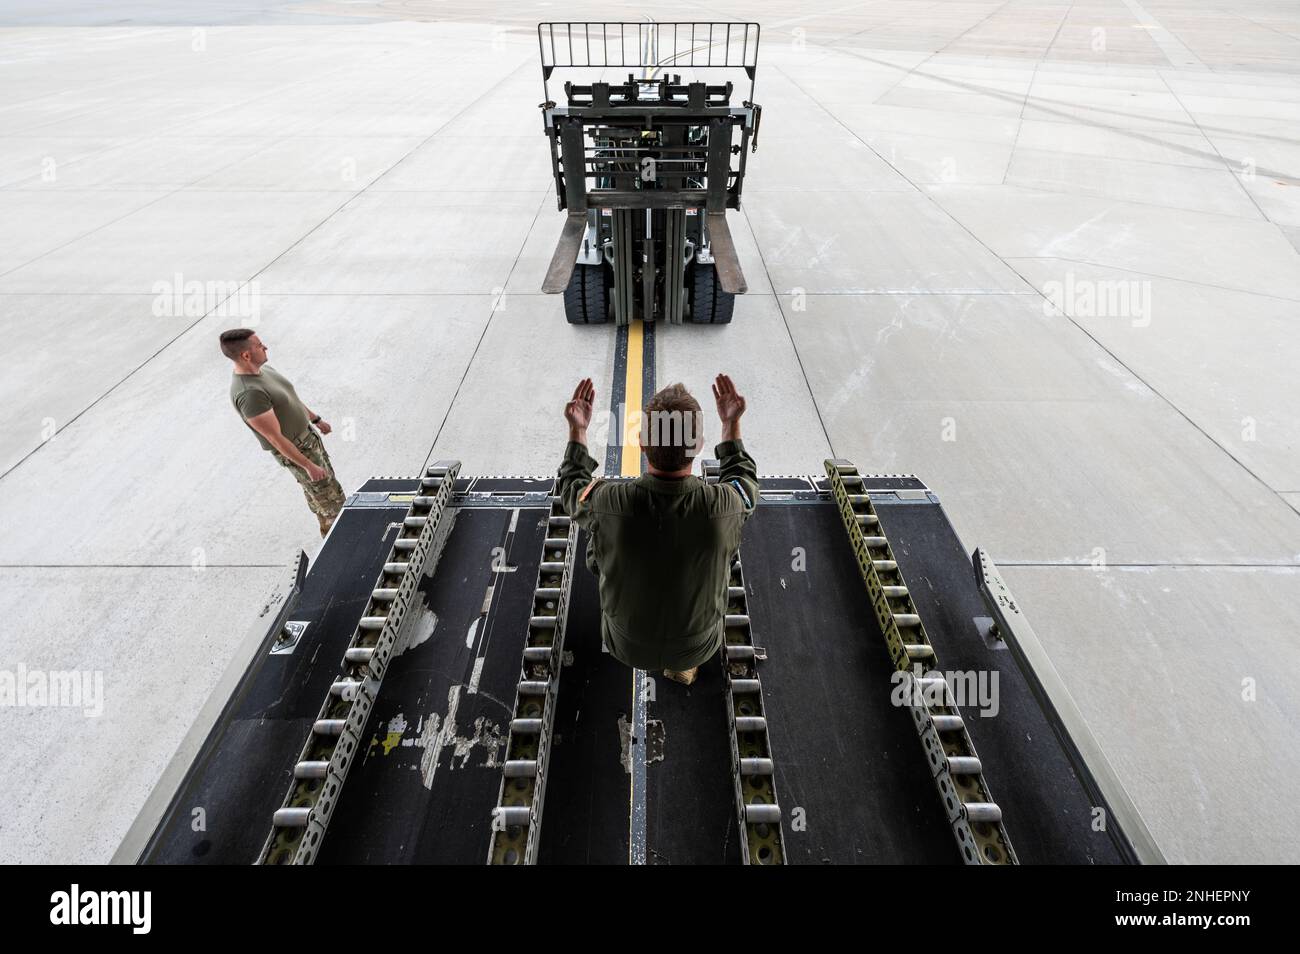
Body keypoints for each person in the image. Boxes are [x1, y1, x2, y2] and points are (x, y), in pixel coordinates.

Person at [558, 374, 759, 685]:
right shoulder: (726, 506)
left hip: (626, 645)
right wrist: (730, 423)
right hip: (699, 645)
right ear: (700, 446)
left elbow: (572, 488)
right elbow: (744, 479)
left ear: (641, 443)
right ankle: (683, 664)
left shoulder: (608, 502)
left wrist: (578, 428)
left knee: (598, 538)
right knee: (724, 545)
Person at [220, 328, 345, 538]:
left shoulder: (265, 370)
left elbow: (289, 398)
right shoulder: (249, 394)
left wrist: (315, 419)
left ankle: (332, 529)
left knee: (324, 494)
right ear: (246, 355)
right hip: (299, 451)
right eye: (259, 345)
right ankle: (339, 542)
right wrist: (308, 466)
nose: (265, 347)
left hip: (309, 439)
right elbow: (275, 439)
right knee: (332, 503)